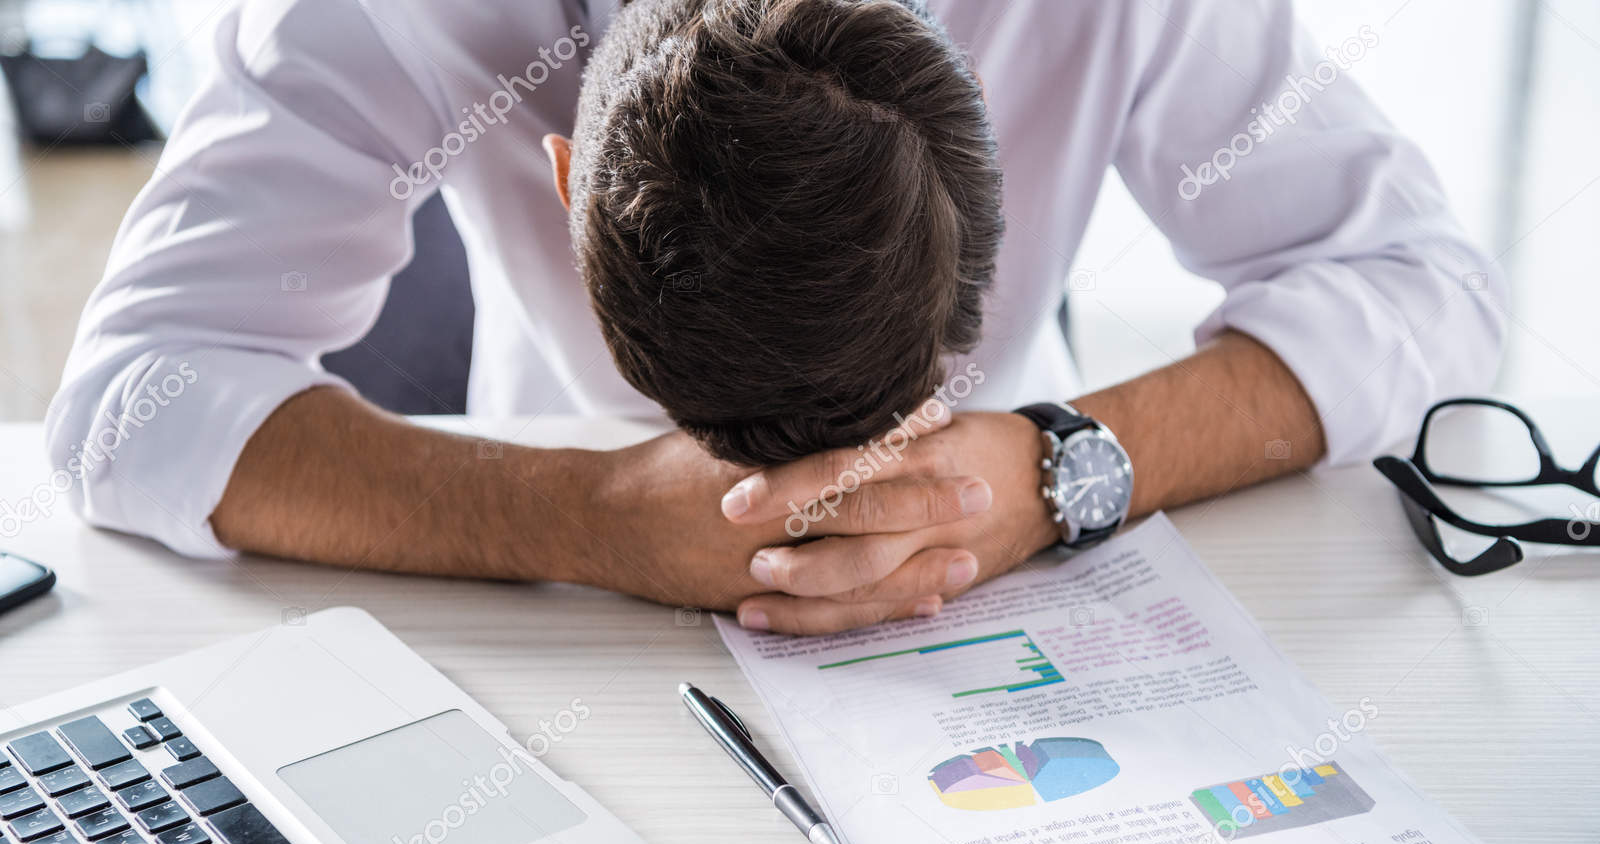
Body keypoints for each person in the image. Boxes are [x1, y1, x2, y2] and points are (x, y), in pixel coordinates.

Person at [47, 0, 1504, 634]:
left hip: (1002, 592)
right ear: (570, 180)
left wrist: (1057, 467)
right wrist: (582, 517)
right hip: (562, 620)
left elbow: (1421, 283)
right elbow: (127, 399)